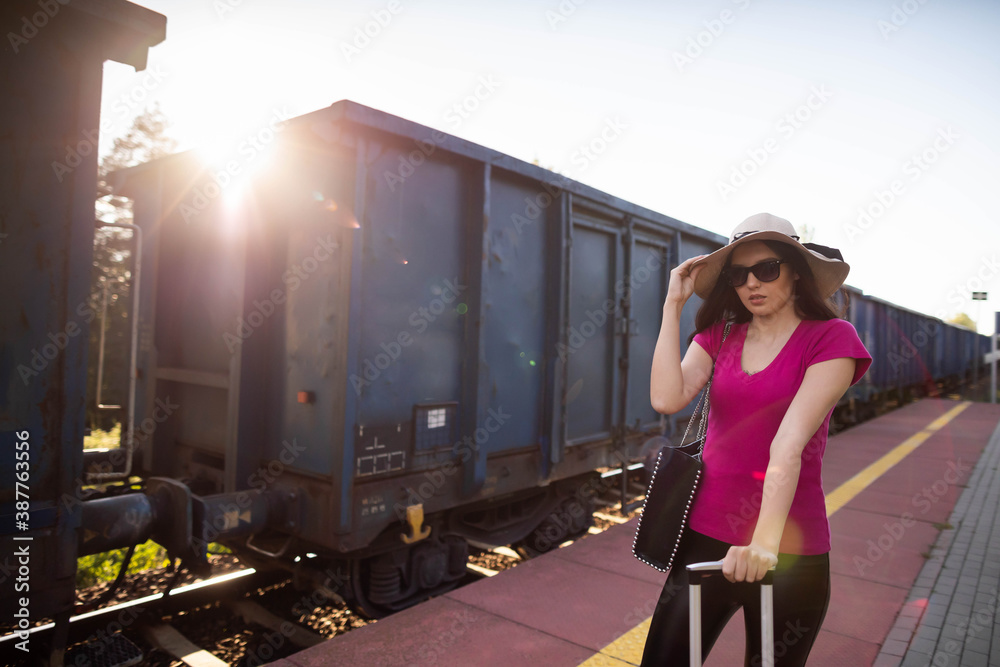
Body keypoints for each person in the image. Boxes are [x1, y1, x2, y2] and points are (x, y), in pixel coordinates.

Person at [641, 213, 872, 666]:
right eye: (738, 273)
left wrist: (764, 542)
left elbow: (788, 443)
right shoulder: (719, 335)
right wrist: (672, 306)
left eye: (766, 269)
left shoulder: (831, 339)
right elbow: (666, 398)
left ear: (796, 270)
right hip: (704, 536)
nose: (751, 283)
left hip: (786, 551)